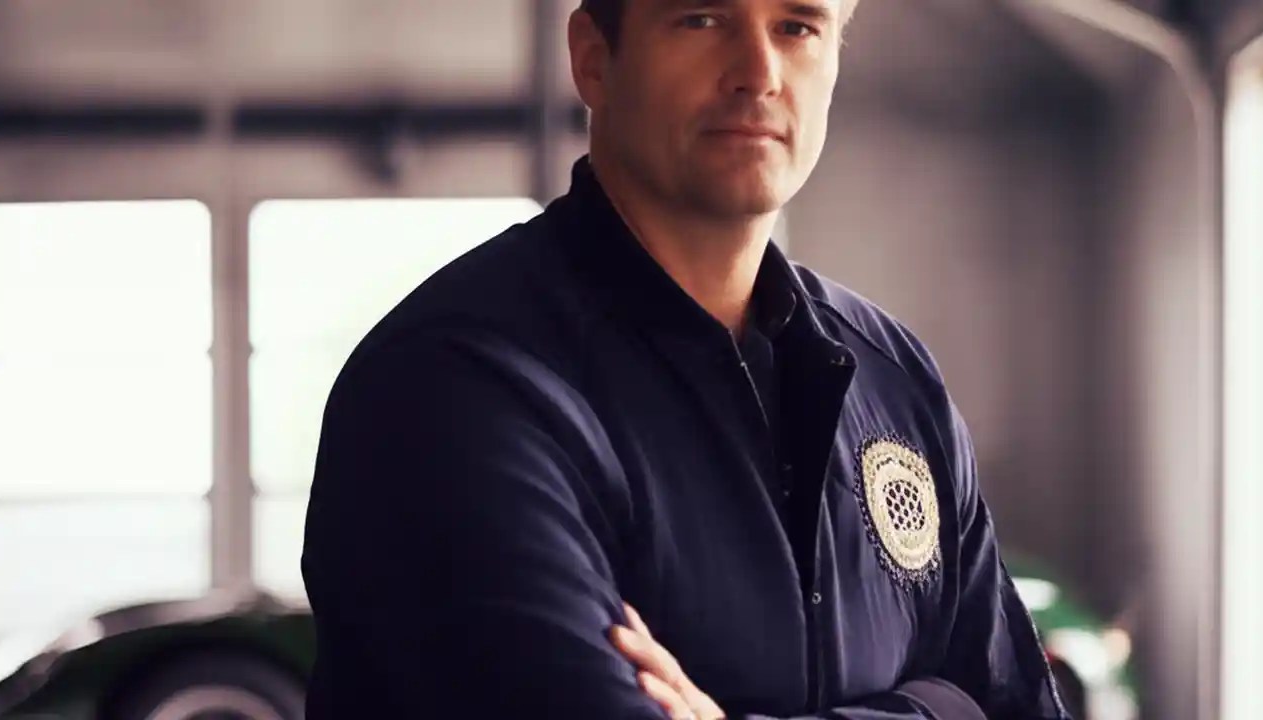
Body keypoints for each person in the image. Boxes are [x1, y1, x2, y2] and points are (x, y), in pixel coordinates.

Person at [300, 0, 1070, 717]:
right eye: (701, 18)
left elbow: (1012, 703)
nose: (759, 72)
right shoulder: (451, 388)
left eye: (798, 26)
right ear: (594, 57)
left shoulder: (894, 377)